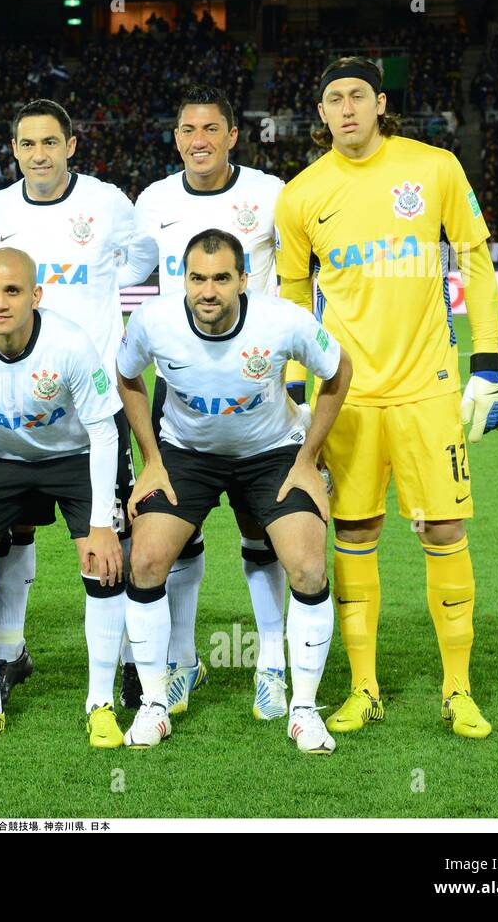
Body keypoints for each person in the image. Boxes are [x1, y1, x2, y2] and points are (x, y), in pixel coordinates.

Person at [274, 56, 498, 739]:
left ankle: (458, 689)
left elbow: (476, 257)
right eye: (332, 100)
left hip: (428, 388)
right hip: (345, 394)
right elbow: (292, 290)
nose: (346, 108)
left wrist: (487, 361)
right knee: (354, 533)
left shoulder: (434, 167)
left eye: (357, 96)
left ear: (380, 103)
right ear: (320, 115)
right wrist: (295, 381)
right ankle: (364, 687)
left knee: (443, 528)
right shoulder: (301, 195)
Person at [118, 229, 352, 751]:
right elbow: (126, 375)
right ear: (183, 279)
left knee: (309, 567)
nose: (208, 291)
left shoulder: (282, 321)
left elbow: (339, 372)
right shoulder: (153, 320)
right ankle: (155, 704)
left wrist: (309, 458)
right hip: (187, 454)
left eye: (221, 278)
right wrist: (152, 460)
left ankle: (305, 709)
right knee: (147, 560)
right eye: (197, 278)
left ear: (244, 279)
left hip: (271, 454)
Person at [0, 99, 157, 705]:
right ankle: (8, 651)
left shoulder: (108, 203)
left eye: (49, 142)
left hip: (94, 407)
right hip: (20, 407)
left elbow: (141, 260)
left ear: (72, 145)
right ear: (14, 150)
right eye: (27, 144)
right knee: (13, 533)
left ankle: (131, 659)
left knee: (114, 534)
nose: (38, 154)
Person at [132, 84, 292, 721]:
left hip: (261, 382)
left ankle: (273, 665)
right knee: (178, 530)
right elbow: (133, 277)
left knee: (264, 529)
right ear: (176, 138)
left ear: (233, 136)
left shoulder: (272, 194)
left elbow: (301, 274)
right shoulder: (153, 202)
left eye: (211, 129)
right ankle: (182, 659)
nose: (198, 140)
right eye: (187, 130)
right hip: (182, 380)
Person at [0, 248, 126, 747]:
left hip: (72, 458)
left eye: (12, 291)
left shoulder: (70, 343)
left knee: (102, 563)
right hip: (0, 462)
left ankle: (100, 703)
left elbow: (104, 432)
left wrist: (102, 522)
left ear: (35, 295)